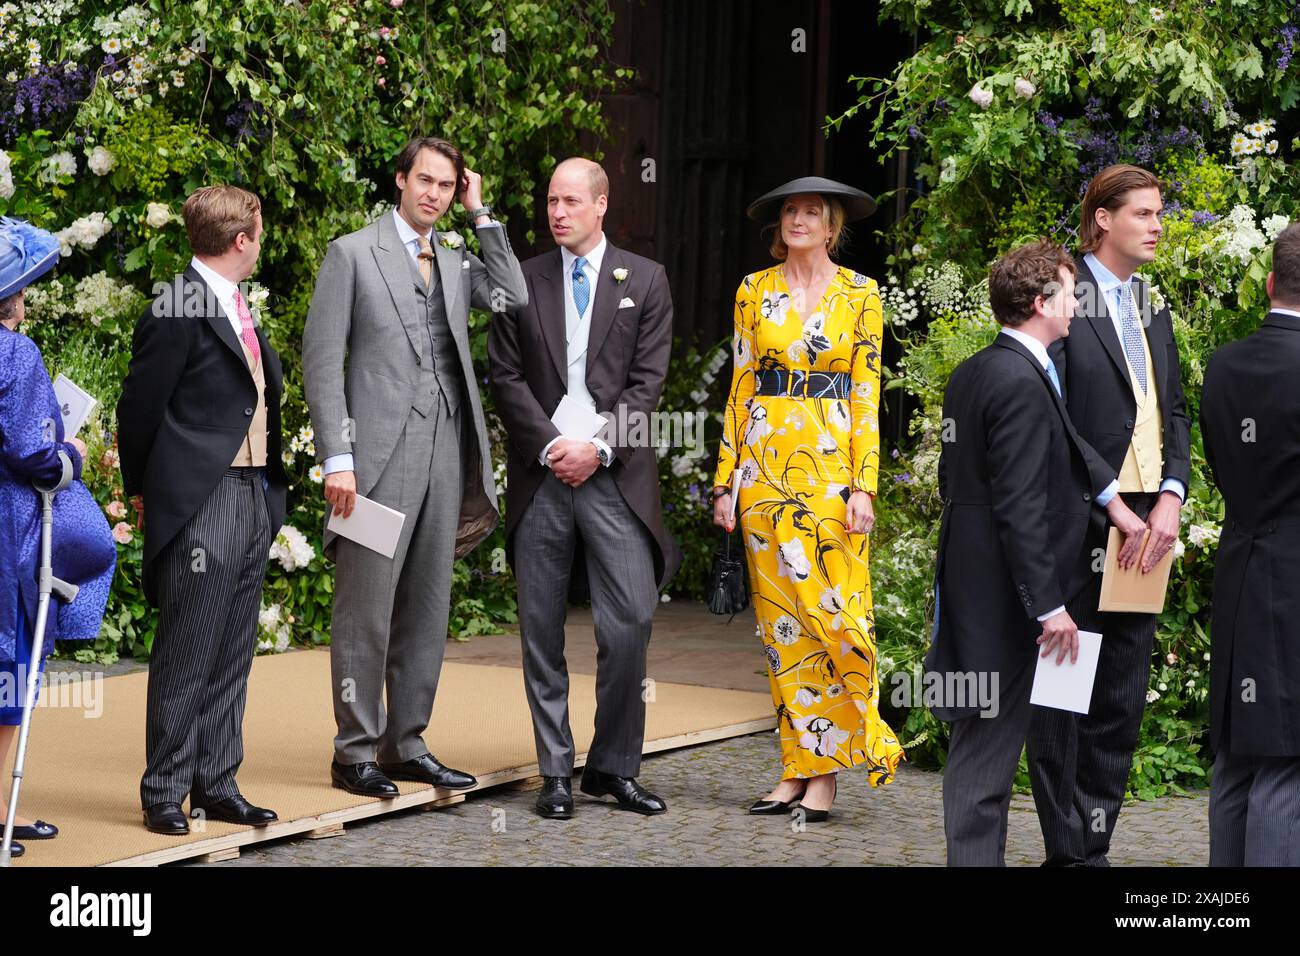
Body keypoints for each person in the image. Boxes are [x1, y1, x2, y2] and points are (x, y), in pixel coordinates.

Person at [303, 136, 526, 798]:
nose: (434, 194)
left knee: (427, 605)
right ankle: (353, 751)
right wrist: (336, 457)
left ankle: (405, 743)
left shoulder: (457, 260)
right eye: (424, 180)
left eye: (448, 186)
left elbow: (512, 296)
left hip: (445, 456)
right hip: (372, 461)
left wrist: (483, 215)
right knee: (365, 609)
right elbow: (321, 362)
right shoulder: (351, 254)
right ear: (400, 180)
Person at [928, 239, 1144, 866]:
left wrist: (1115, 505)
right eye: (1070, 292)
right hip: (1006, 604)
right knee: (987, 759)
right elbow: (1020, 505)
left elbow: (964, 480)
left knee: (983, 746)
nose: (1078, 304)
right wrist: (1049, 608)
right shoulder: (1022, 381)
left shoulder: (981, 370)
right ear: (1040, 301)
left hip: (975, 589)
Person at [488, 158, 680, 819]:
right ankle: (556, 773)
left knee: (628, 626)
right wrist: (549, 445)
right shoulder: (522, 279)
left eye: (571, 201)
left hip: (615, 477)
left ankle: (612, 767)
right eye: (551, 201)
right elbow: (505, 375)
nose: (558, 212)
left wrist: (595, 447)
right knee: (540, 630)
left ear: (602, 204)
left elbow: (648, 382)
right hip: (542, 476)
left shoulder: (646, 279)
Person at [711, 176, 902, 822]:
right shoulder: (752, 291)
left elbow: (866, 396)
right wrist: (725, 479)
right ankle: (802, 769)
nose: (798, 219)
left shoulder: (862, 294)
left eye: (811, 212)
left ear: (832, 226)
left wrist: (865, 485)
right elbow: (740, 388)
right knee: (783, 632)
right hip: (764, 476)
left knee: (836, 621)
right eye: (789, 210)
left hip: (830, 478)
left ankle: (849, 753)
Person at [1026, 165, 1192, 867]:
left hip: (1148, 530)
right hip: (1083, 523)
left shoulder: (1150, 302)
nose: (1157, 225)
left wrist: (1173, 498)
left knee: (1120, 702)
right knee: (1064, 697)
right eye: (1144, 214)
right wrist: (1115, 505)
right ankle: (1065, 851)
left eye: (1159, 214)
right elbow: (1049, 415)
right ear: (1103, 219)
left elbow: (1176, 410)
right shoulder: (1065, 295)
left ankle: (1094, 846)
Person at [118, 186, 288, 835]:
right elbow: (140, 410)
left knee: (232, 652)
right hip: (202, 498)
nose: (261, 240)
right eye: (259, 231)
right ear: (241, 239)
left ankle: (217, 783)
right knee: (188, 652)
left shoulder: (234, 302)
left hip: (252, 496)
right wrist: (145, 493)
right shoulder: (179, 302)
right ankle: (164, 790)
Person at [0, 217, 115, 857]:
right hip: (8, 524)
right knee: (10, 665)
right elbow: (33, 457)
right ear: (14, 295)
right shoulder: (15, 354)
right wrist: (71, 448)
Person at [1200, 220, 1300, 866]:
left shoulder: (1224, 364)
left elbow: (1217, 459)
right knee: (1287, 767)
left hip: (1239, 571)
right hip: (1294, 584)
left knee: (1236, 757)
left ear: (1269, 284)